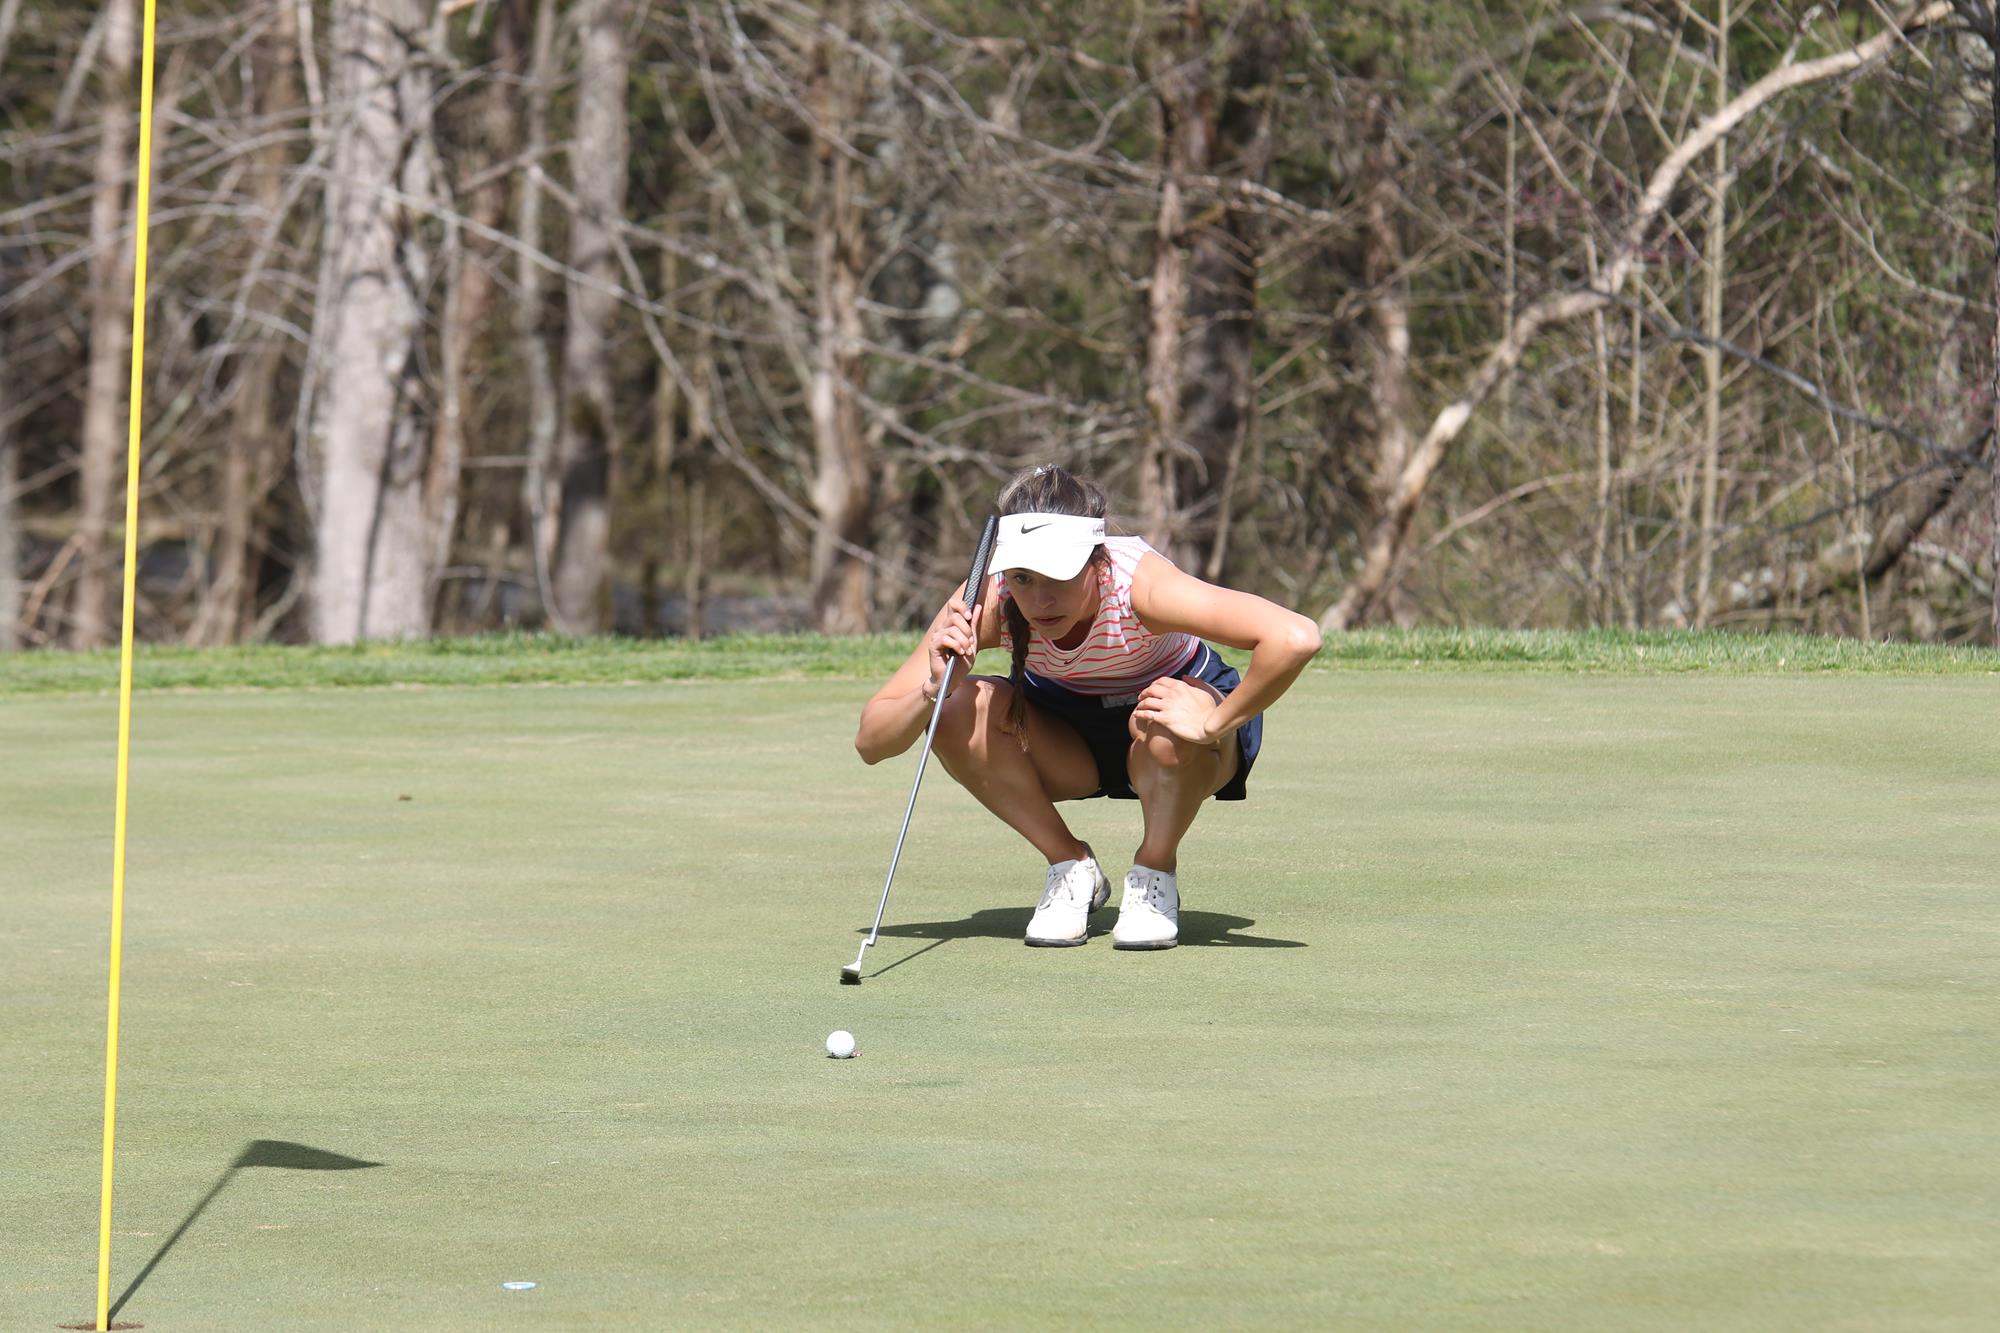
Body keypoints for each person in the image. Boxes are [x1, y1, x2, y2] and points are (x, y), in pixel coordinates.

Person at [855, 464, 1322, 950]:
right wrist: (935, 687)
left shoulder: (1141, 586)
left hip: (1175, 738)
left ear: (1097, 563)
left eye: (1060, 574)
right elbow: (871, 741)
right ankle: (1071, 866)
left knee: (1168, 719)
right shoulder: (991, 603)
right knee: (953, 709)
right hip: (1066, 737)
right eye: (1023, 577)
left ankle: (1154, 872)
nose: (1041, 599)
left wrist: (1212, 723)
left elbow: (1295, 637)